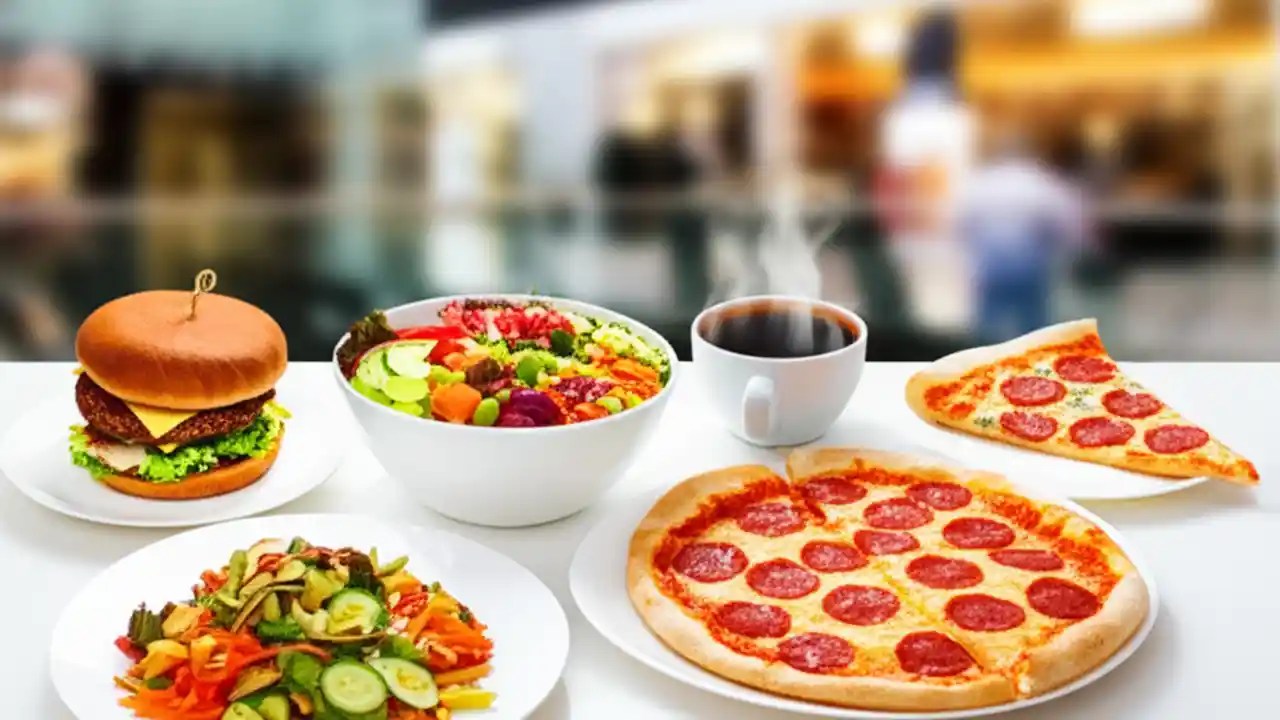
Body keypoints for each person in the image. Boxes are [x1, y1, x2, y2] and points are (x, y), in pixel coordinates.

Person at [958, 129, 1087, 342]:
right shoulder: (1041, 182)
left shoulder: (981, 183)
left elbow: (961, 223)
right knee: (1033, 326)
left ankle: (987, 357)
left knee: (988, 326)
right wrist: (1071, 253)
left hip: (991, 267)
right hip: (1031, 266)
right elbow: (1068, 222)